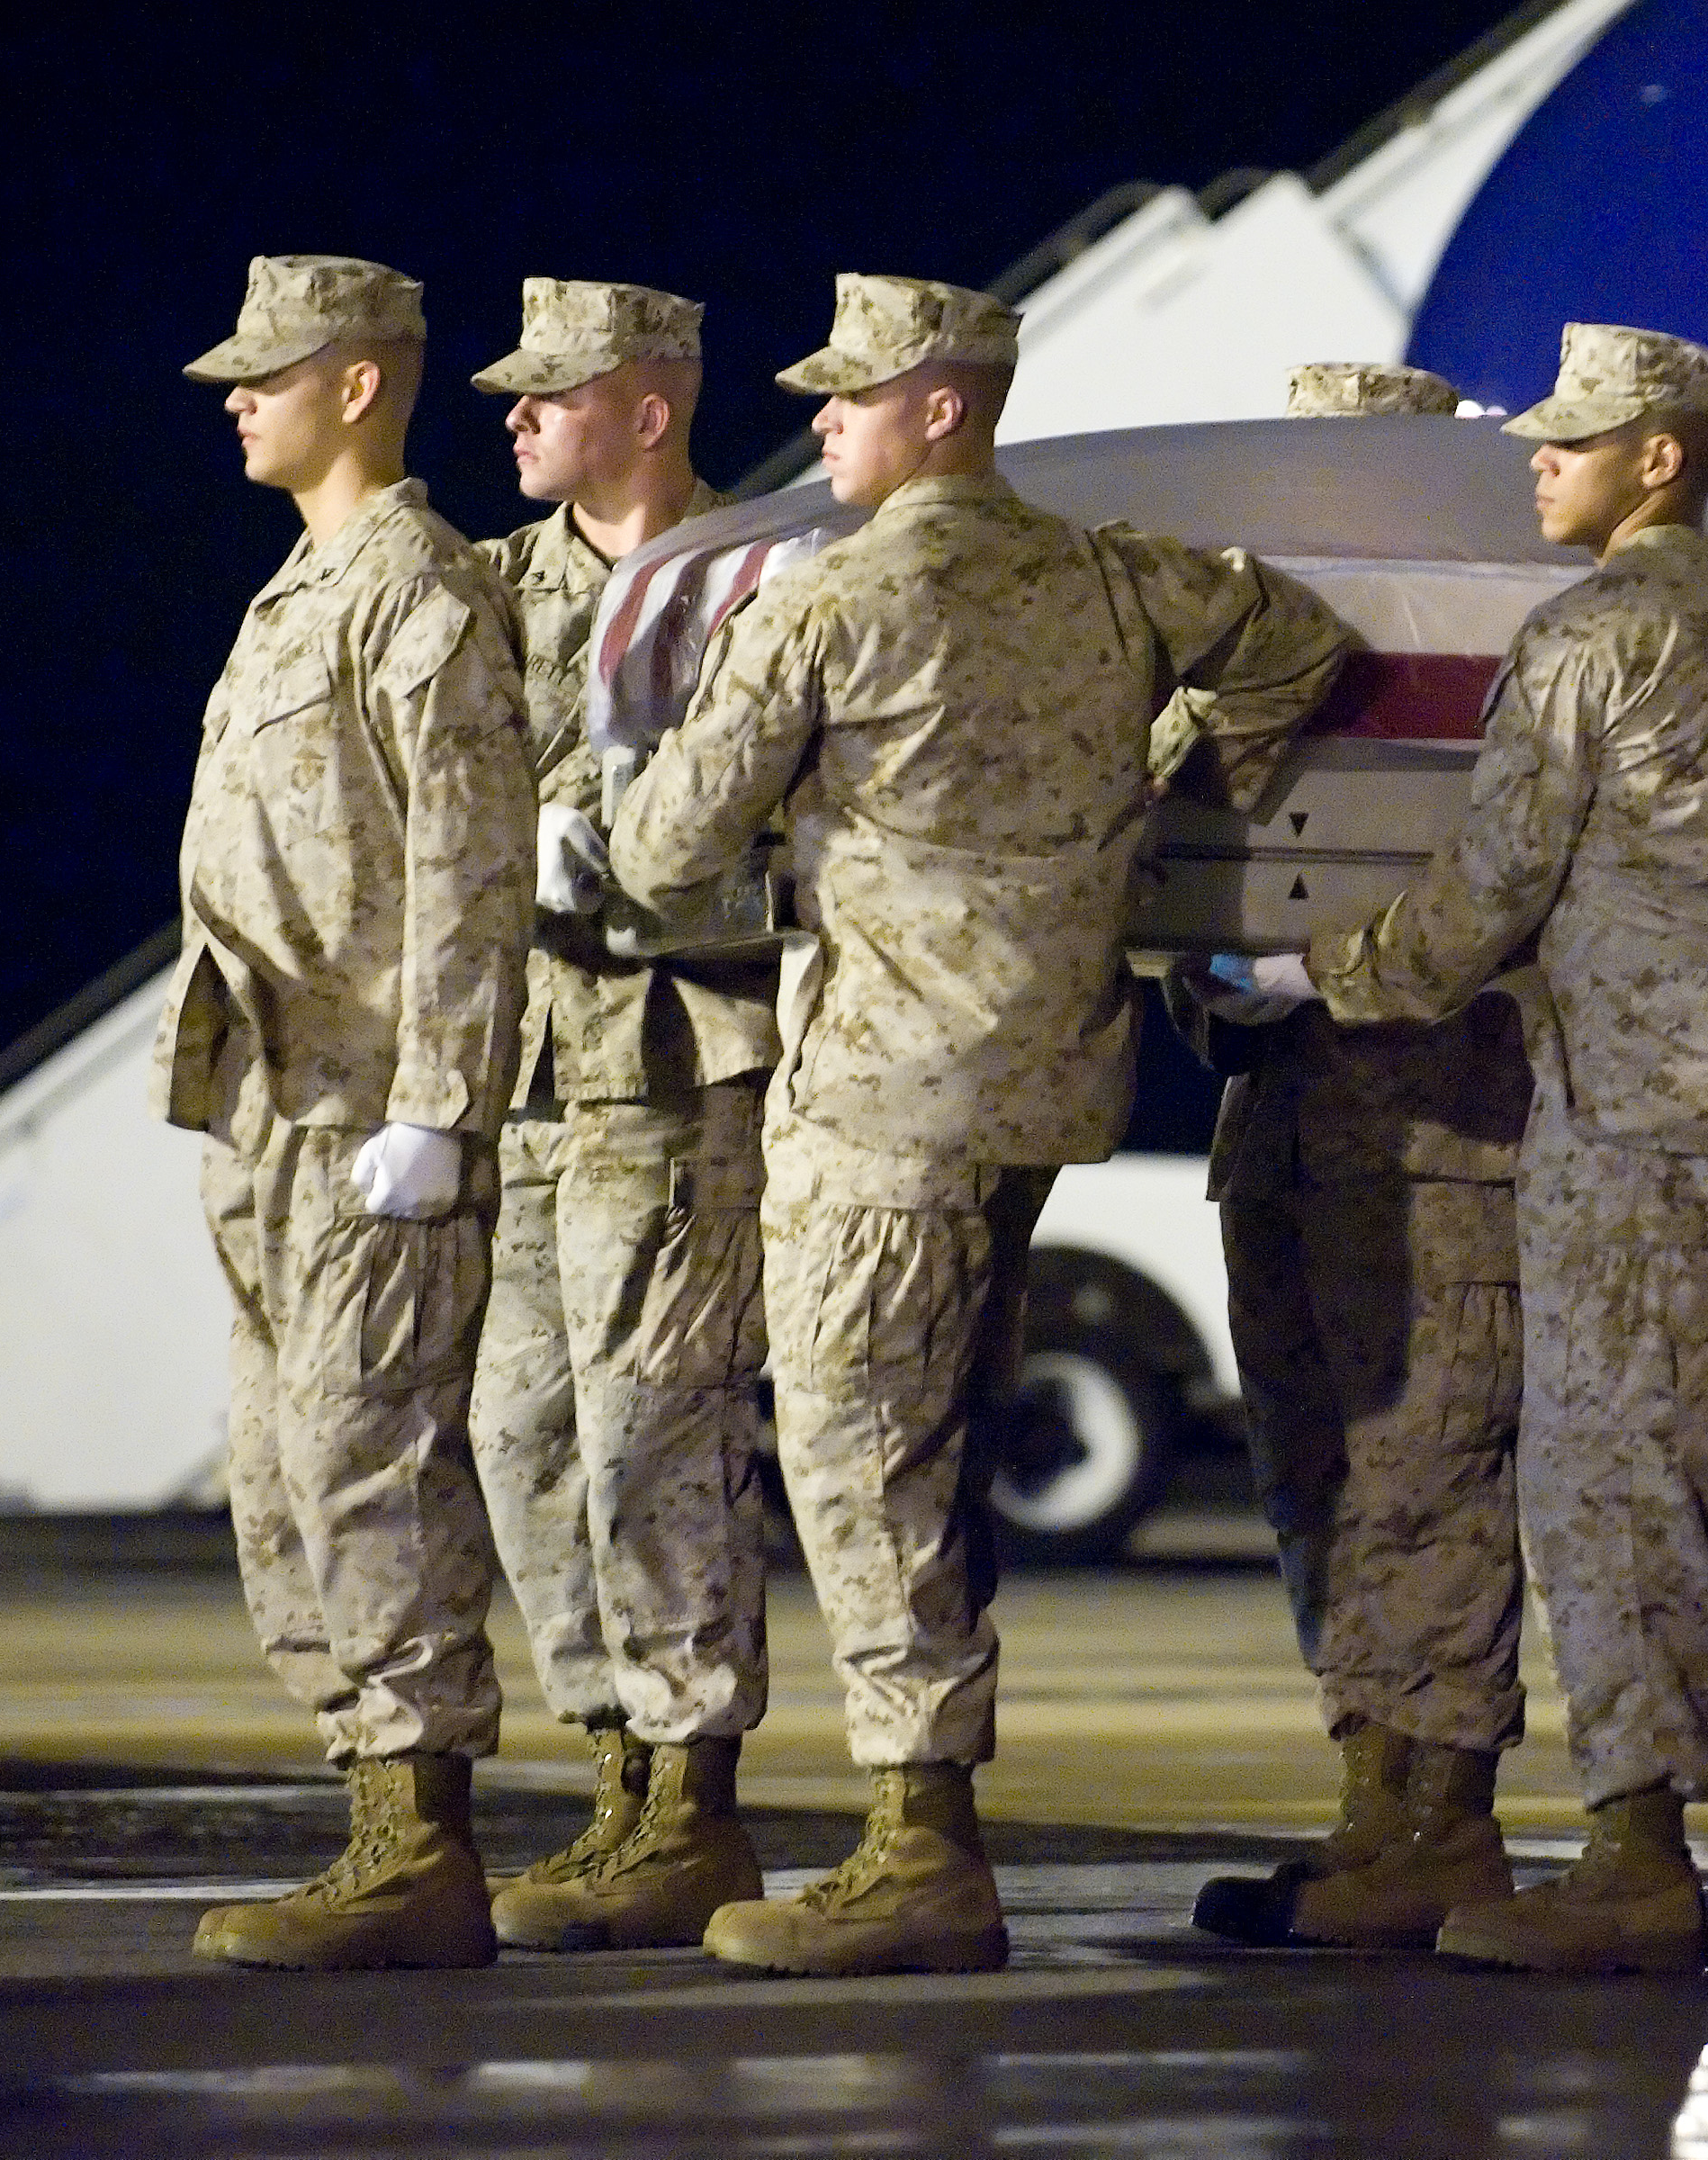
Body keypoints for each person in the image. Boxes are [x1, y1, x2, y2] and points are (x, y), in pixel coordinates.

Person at [612, 274, 1353, 1976]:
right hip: (1046, 1081)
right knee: (935, 1446)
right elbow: (1295, 641)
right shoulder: (1106, 575)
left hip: (882, 1091)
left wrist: (763, 819)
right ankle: (921, 1822)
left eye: (852, 398)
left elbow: (661, 851)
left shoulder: (830, 599)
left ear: (944, 407)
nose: (822, 423)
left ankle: (922, 1842)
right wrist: (1151, 794)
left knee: (863, 1454)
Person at [1241, 322, 1708, 1973]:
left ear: (1658, 458)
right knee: (1650, 1466)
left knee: (1609, 1476)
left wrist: (1310, 972)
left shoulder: (1594, 639)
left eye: (1571, 441)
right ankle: (1623, 1830)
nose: (1537, 460)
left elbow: (1487, 893)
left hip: (1635, 1105)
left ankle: (1638, 1857)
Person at [161, 256, 535, 1969]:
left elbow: (472, 862)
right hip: (272, 1106)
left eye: (271, 372)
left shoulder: (420, 588)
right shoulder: (298, 589)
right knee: (277, 1478)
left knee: (365, 1458)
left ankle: (422, 1840)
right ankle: (370, 1808)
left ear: (362, 385)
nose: (239, 396)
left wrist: (445, 1102)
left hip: (374, 1105)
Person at [1183, 363, 1540, 1954]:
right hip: (1282, 1132)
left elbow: (1490, 898)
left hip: (1439, 1134)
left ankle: (1444, 1819)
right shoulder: (1277, 665)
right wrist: (1206, 978)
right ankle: (1370, 1807)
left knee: (1429, 1481)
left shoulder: (1485, 654)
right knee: (1315, 1482)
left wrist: (1305, 974)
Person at [463, 278, 779, 1953]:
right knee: (520, 1441)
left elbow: (815, 836)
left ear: (647, 412)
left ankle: (693, 1796)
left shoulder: (758, 580)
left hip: (674, 1062)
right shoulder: (493, 589)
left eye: (549, 394)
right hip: (525, 1076)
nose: (513, 418)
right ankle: (611, 1767)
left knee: (658, 1434)